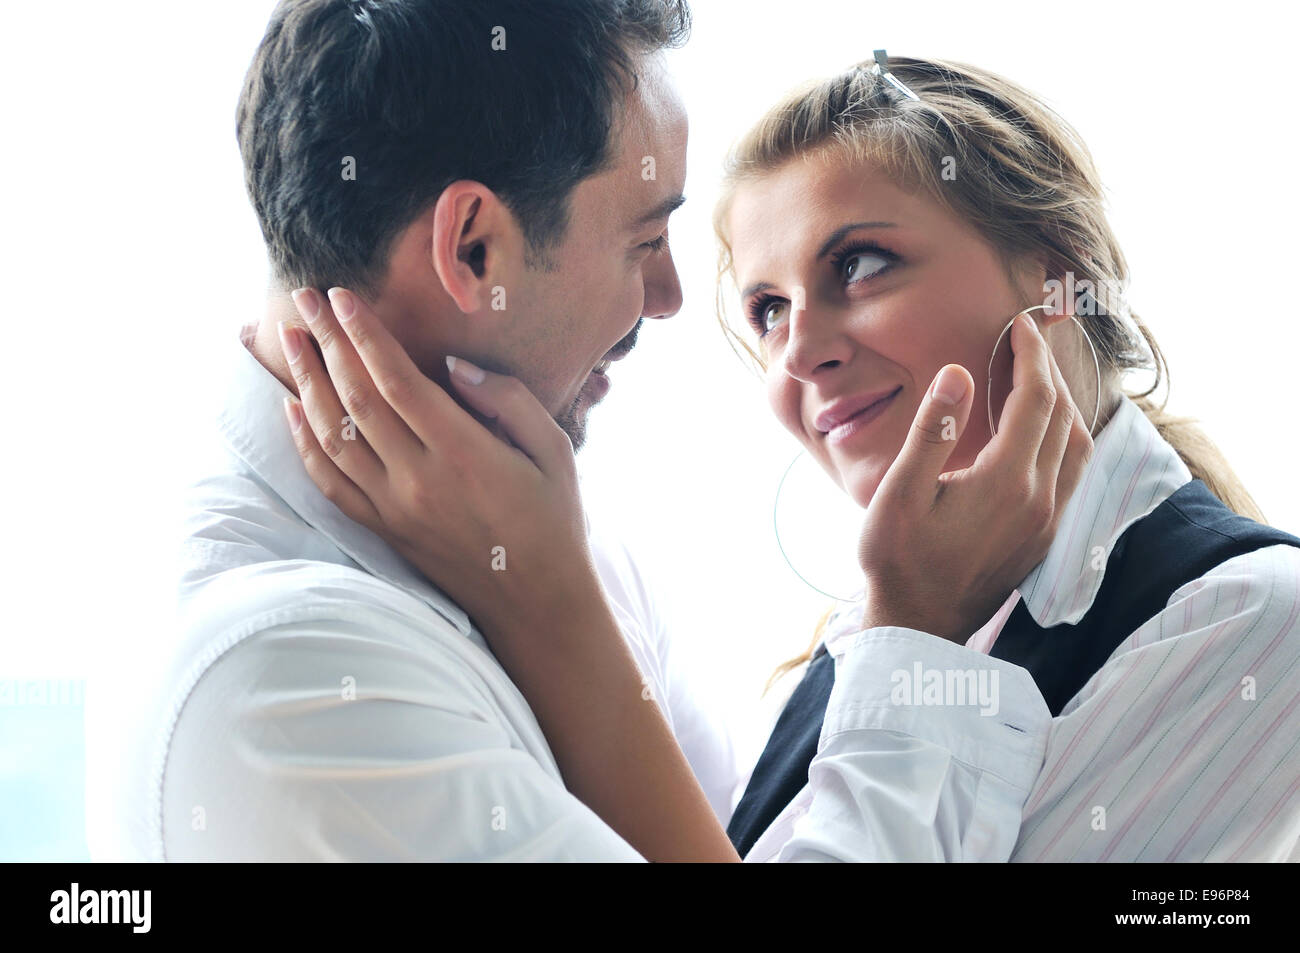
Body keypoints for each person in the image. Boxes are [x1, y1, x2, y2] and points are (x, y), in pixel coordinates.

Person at [280, 54, 1300, 862]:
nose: (800, 347)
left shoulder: (1254, 624)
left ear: (1053, 276)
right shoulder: (856, 644)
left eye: (858, 263)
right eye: (767, 310)